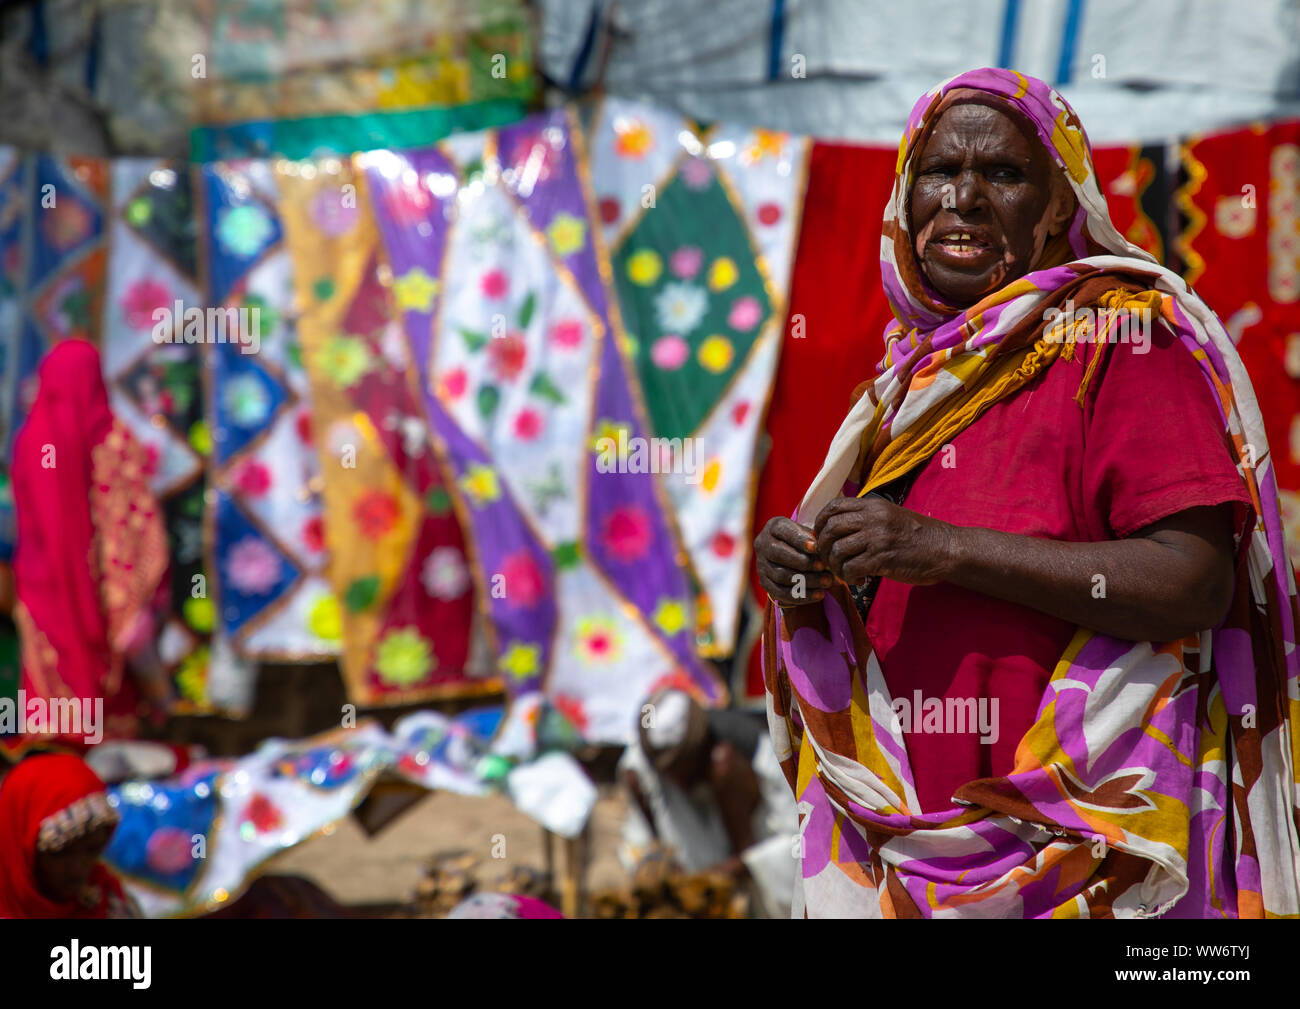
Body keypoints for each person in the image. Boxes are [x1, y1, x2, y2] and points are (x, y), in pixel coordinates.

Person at [754, 68, 1300, 918]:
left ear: (1057, 206)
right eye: (938, 171)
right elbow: (882, 574)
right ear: (906, 189)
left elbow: (1193, 582)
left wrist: (943, 549)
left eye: (1004, 174)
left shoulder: (1119, 338)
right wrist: (803, 573)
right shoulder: (909, 382)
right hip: (906, 840)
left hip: (1074, 855)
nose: (963, 198)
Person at [9, 340, 171, 746]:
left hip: (41, 588)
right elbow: (130, 528)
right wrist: (121, 599)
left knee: (53, 686)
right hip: (102, 594)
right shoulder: (111, 440)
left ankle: (55, 764)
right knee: (108, 691)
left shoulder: (31, 441)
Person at [618, 688, 796, 917]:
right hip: (693, 874)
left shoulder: (751, 749)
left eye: (681, 767)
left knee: (725, 768)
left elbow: (793, 837)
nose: (677, 779)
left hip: (757, 859)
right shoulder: (641, 764)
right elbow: (637, 842)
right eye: (669, 772)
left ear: (698, 749)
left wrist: (732, 871)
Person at [0, 752, 140, 918]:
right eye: (60, 852)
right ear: (19, 848)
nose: (77, 868)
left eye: (92, 849)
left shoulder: (110, 903)